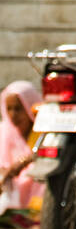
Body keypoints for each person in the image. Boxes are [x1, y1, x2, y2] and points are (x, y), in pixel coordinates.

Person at [0, 81, 43, 212]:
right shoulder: (3, 132)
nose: (13, 115)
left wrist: (21, 164)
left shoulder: (42, 132)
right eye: (9, 108)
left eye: (18, 108)